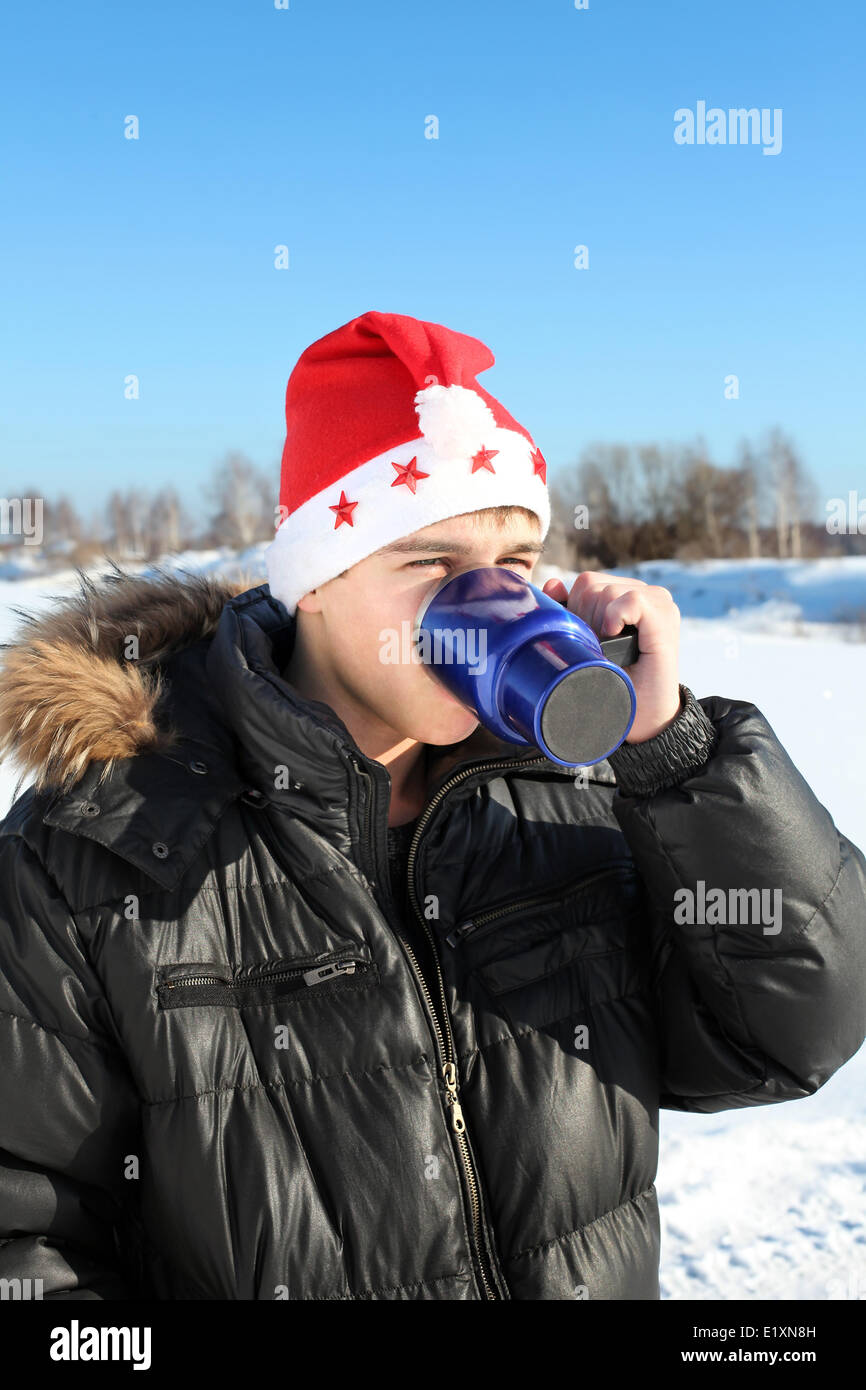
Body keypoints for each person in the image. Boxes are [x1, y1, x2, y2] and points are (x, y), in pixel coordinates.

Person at [0, 309, 864, 1301]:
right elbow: (26, 1242)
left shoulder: (564, 797)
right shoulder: (94, 855)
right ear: (314, 579)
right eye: (429, 565)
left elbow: (791, 1033)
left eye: (512, 566)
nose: (487, 604)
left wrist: (674, 754)